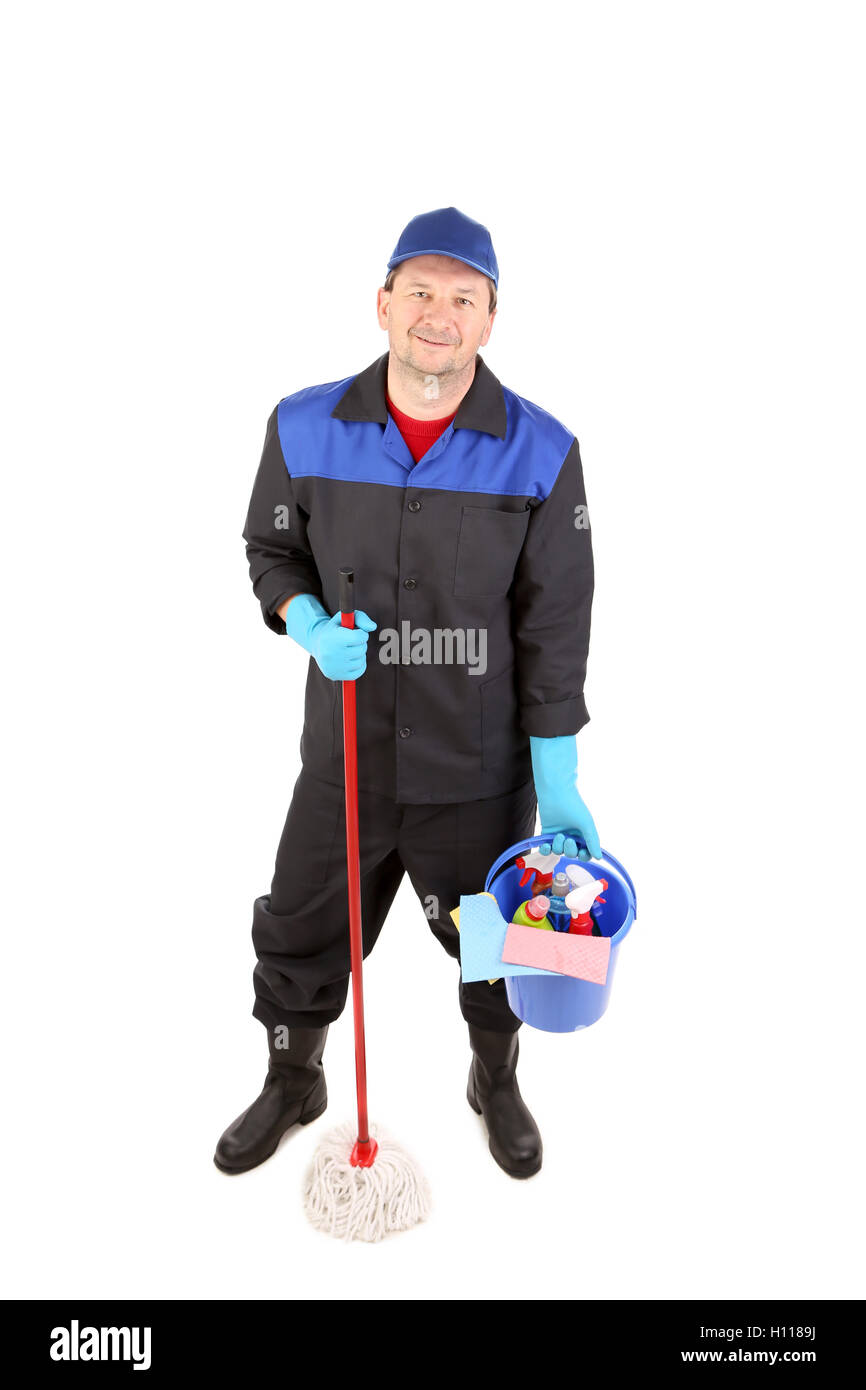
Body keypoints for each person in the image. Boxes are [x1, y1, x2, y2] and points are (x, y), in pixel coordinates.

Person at [214, 207, 600, 1181]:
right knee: (301, 921)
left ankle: (493, 1075)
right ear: (381, 304)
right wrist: (300, 619)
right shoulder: (300, 423)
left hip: (475, 772)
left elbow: (553, 622)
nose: (438, 313)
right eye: (419, 291)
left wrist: (555, 772)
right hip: (341, 759)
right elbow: (272, 548)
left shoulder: (541, 452)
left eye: (461, 297)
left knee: (491, 940)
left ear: (490, 319)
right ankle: (293, 1075)